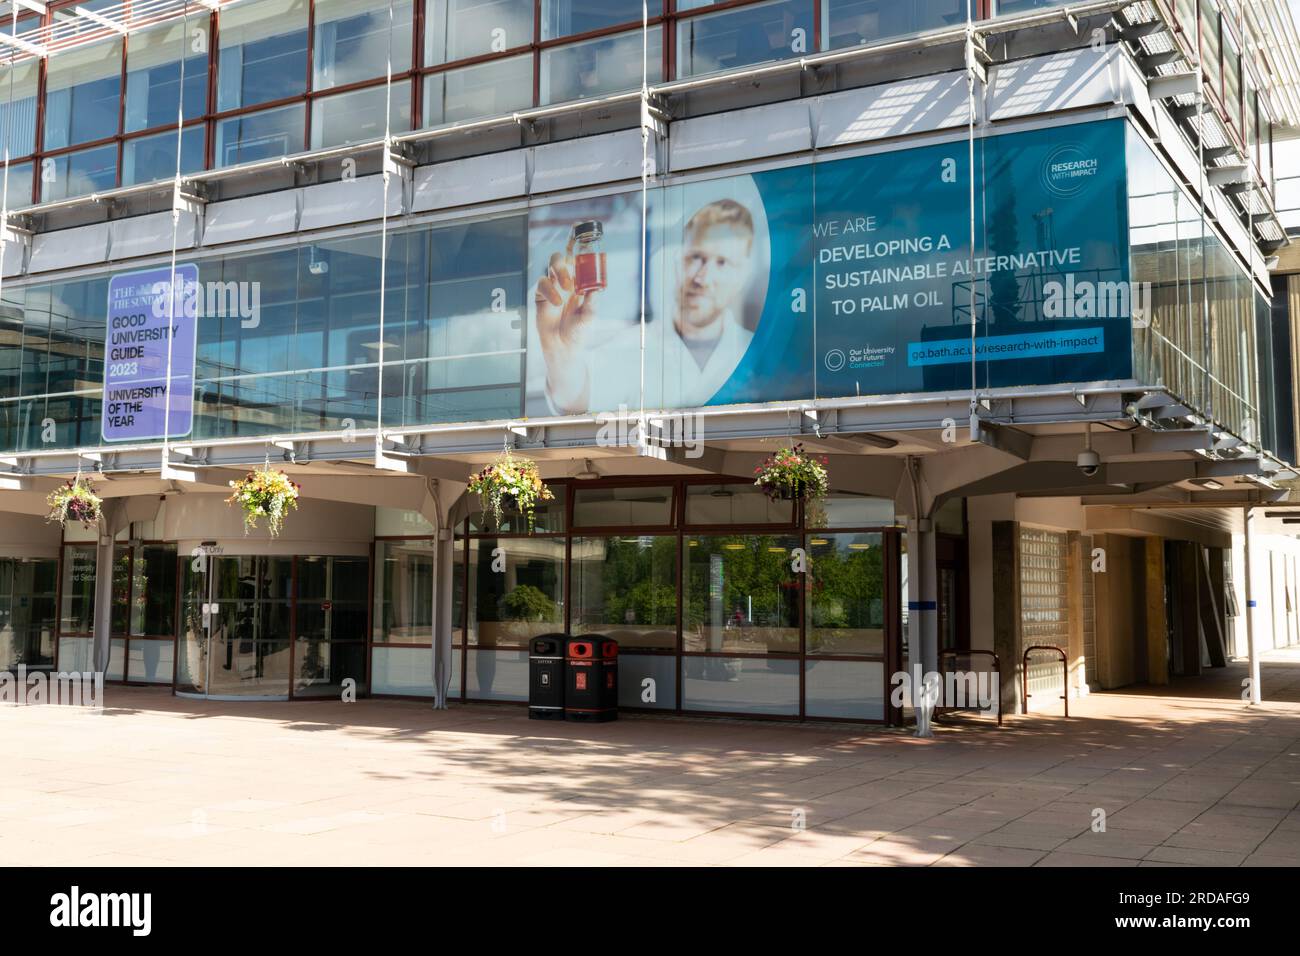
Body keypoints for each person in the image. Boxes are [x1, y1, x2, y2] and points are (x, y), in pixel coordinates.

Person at [534, 198, 758, 414]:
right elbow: (574, 397)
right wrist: (559, 355)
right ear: (677, 259)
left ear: (743, 274)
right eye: (696, 257)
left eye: (722, 262)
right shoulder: (632, 347)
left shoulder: (757, 354)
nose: (702, 277)